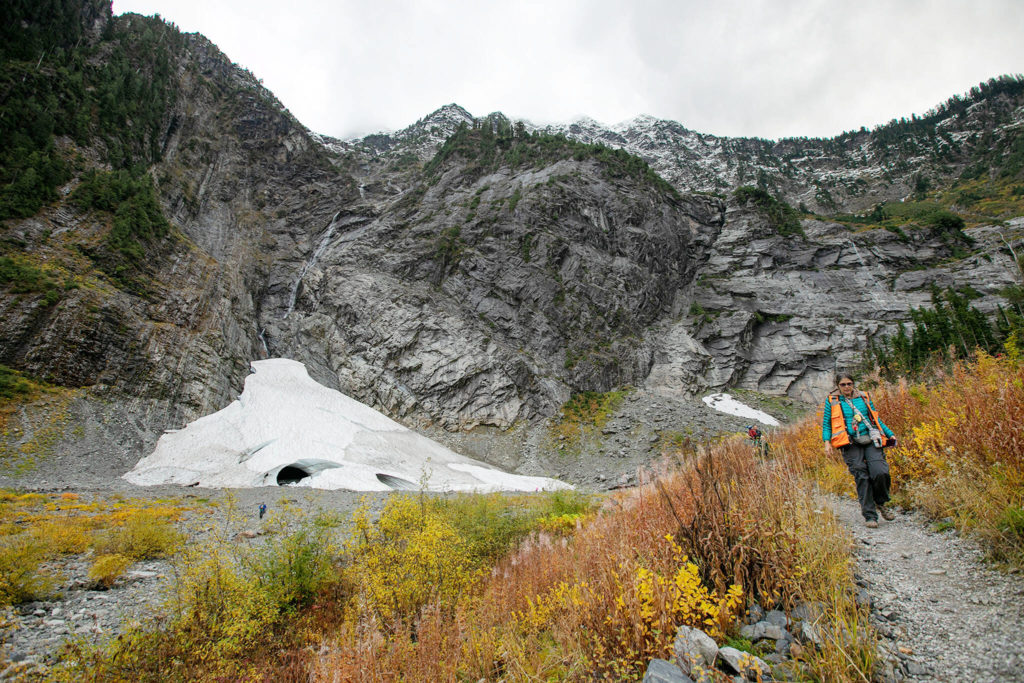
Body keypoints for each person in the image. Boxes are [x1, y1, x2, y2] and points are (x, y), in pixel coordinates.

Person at [822, 372, 897, 528]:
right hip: (849, 442)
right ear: (838, 386)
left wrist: (890, 434)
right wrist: (827, 442)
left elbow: (876, 419)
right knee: (861, 474)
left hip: (870, 438)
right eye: (843, 384)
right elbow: (827, 424)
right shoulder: (832, 401)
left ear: (853, 384)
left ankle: (880, 502)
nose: (847, 387)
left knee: (880, 471)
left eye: (849, 383)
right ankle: (870, 516)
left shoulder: (864, 397)